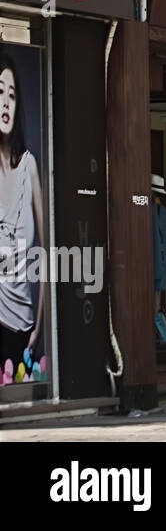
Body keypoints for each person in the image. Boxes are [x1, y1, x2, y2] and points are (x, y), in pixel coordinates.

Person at [0, 52, 46, 380]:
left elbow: (47, 248)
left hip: (25, 324)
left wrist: (40, 323)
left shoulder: (29, 167)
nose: (5, 102)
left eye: (11, 94)